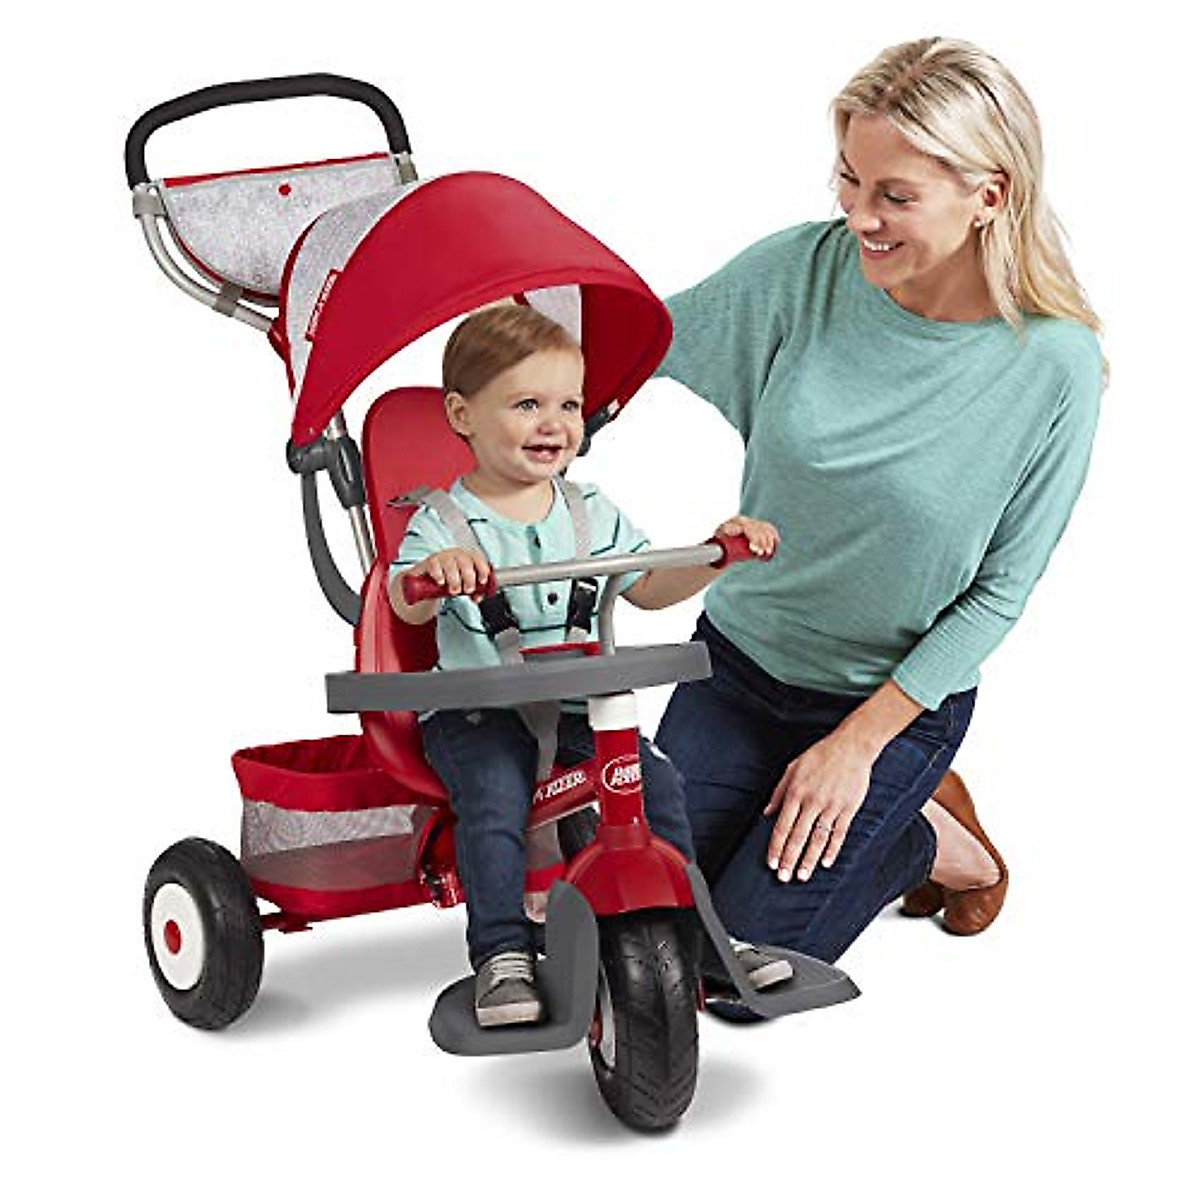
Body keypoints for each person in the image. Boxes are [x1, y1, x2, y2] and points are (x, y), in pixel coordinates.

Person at [652, 37, 1104, 978]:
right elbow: (631, 340)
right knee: (653, 925)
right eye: (849, 181)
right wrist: (498, 357)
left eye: (895, 196)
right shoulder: (804, 272)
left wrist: (855, 748)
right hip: (735, 668)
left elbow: (998, 594)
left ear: (990, 196)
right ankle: (881, 809)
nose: (859, 217)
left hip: (888, 702)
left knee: (740, 971)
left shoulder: (1052, 367)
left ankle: (934, 838)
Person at [389, 303, 789, 1028]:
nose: (554, 424)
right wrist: (436, 574)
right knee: (494, 797)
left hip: (580, 708)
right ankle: (503, 955)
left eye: (569, 406)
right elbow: (403, 602)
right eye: (527, 405)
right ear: (462, 415)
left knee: (659, 786)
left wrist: (715, 556)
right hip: (480, 713)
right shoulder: (442, 521)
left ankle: (700, 936)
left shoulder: (589, 510)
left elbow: (648, 583)